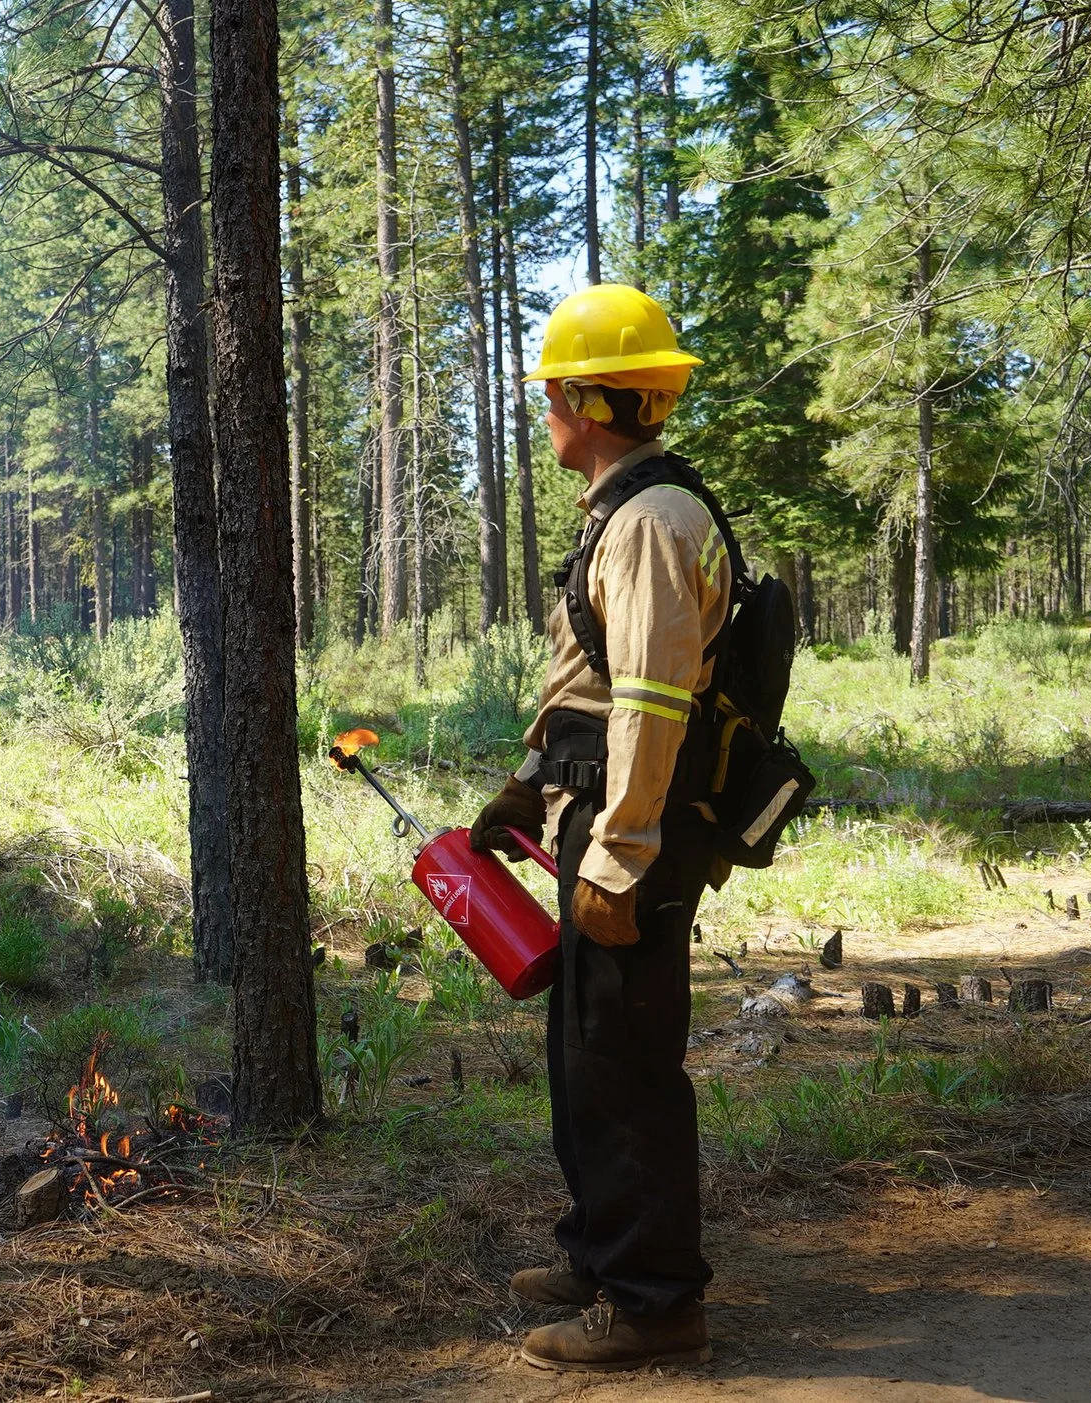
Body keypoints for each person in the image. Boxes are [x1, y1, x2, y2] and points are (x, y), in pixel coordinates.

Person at [471, 284, 725, 1371]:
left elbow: (654, 700)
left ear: (585, 396)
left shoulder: (656, 523)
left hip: (635, 835)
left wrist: (621, 854)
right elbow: (590, 677)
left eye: (551, 396)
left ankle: (654, 1299)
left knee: (624, 1065)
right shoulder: (625, 515)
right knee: (585, 1054)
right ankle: (598, 1250)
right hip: (592, 819)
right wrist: (532, 782)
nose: (545, 414)